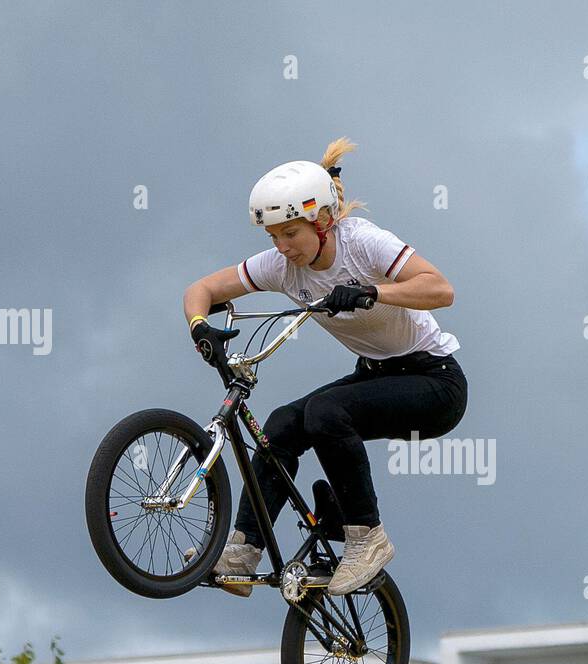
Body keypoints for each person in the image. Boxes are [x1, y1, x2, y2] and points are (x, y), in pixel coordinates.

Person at [182, 137, 467, 597]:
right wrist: (200, 326)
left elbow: (441, 289)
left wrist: (373, 291)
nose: (283, 247)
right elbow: (202, 289)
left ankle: (367, 538)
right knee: (282, 425)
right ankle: (243, 549)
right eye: (273, 236)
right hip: (376, 374)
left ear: (324, 222)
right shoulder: (280, 266)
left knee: (325, 413)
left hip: (435, 382)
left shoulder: (365, 244)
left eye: (290, 233)